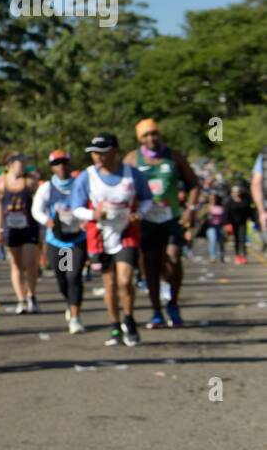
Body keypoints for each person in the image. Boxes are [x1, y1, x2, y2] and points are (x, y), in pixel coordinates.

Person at [69, 134, 153, 346]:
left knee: (125, 281)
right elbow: (76, 207)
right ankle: (115, 326)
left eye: (103, 152)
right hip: (99, 235)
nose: (98, 157)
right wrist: (92, 215)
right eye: (95, 153)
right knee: (110, 284)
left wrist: (139, 214)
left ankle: (129, 319)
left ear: (115, 151)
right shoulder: (86, 177)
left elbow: (147, 199)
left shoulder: (131, 174)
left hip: (126, 232)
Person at [123, 120, 200, 328]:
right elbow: (122, 186)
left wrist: (190, 209)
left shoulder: (174, 157)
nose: (151, 138)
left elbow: (193, 184)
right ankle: (156, 310)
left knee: (174, 259)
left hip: (171, 217)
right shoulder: (132, 159)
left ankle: (173, 305)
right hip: (146, 220)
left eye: (154, 134)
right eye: (146, 135)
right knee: (151, 265)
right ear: (140, 138)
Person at [32, 150, 87, 334]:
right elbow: (36, 209)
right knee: (63, 279)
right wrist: (47, 221)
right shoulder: (47, 187)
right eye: (57, 163)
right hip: (58, 241)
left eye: (64, 162)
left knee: (74, 277)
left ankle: (75, 317)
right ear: (52, 167)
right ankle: (69, 302)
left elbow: (89, 202)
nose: (61, 166)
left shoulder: (79, 184)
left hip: (77, 239)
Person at [0, 153, 41, 313]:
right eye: (18, 163)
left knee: (30, 263)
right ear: (10, 164)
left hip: (29, 226)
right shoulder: (1, 181)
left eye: (24, 163)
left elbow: (40, 200)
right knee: (16, 264)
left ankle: (32, 295)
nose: (22, 166)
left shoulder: (30, 181)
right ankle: (21, 298)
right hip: (10, 228)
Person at [225, 182, 252, 265]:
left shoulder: (245, 199)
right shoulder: (229, 201)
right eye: (234, 192)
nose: (236, 193)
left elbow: (248, 209)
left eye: (237, 191)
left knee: (242, 239)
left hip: (242, 222)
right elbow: (227, 213)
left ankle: (243, 256)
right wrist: (227, 224)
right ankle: (237, 256)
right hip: (233, 223)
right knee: (236, 240)